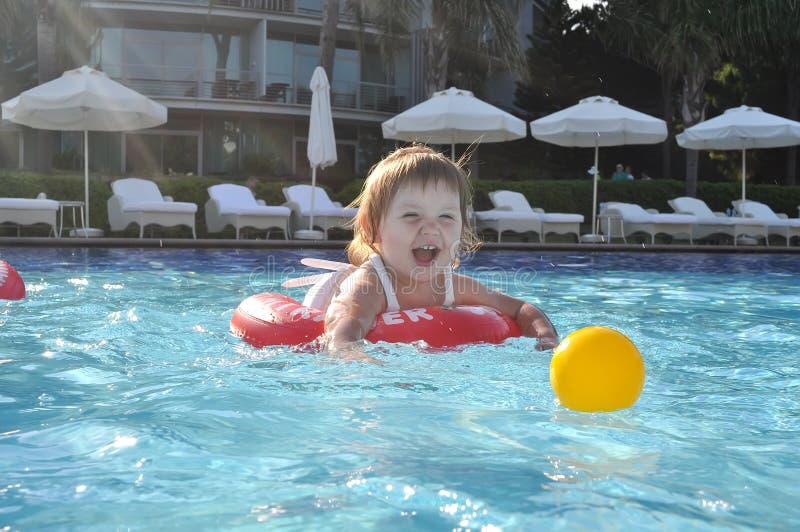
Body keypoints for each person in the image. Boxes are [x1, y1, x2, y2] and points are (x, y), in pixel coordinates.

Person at [322, 145, 558, 353]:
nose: (432, 228)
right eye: (412, 215)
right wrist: (354, 358)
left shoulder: (451, 284)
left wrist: (546, 338)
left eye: (446, 216)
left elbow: (521, 308)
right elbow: (345, 328)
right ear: (373, 228)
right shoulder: (371, 285)